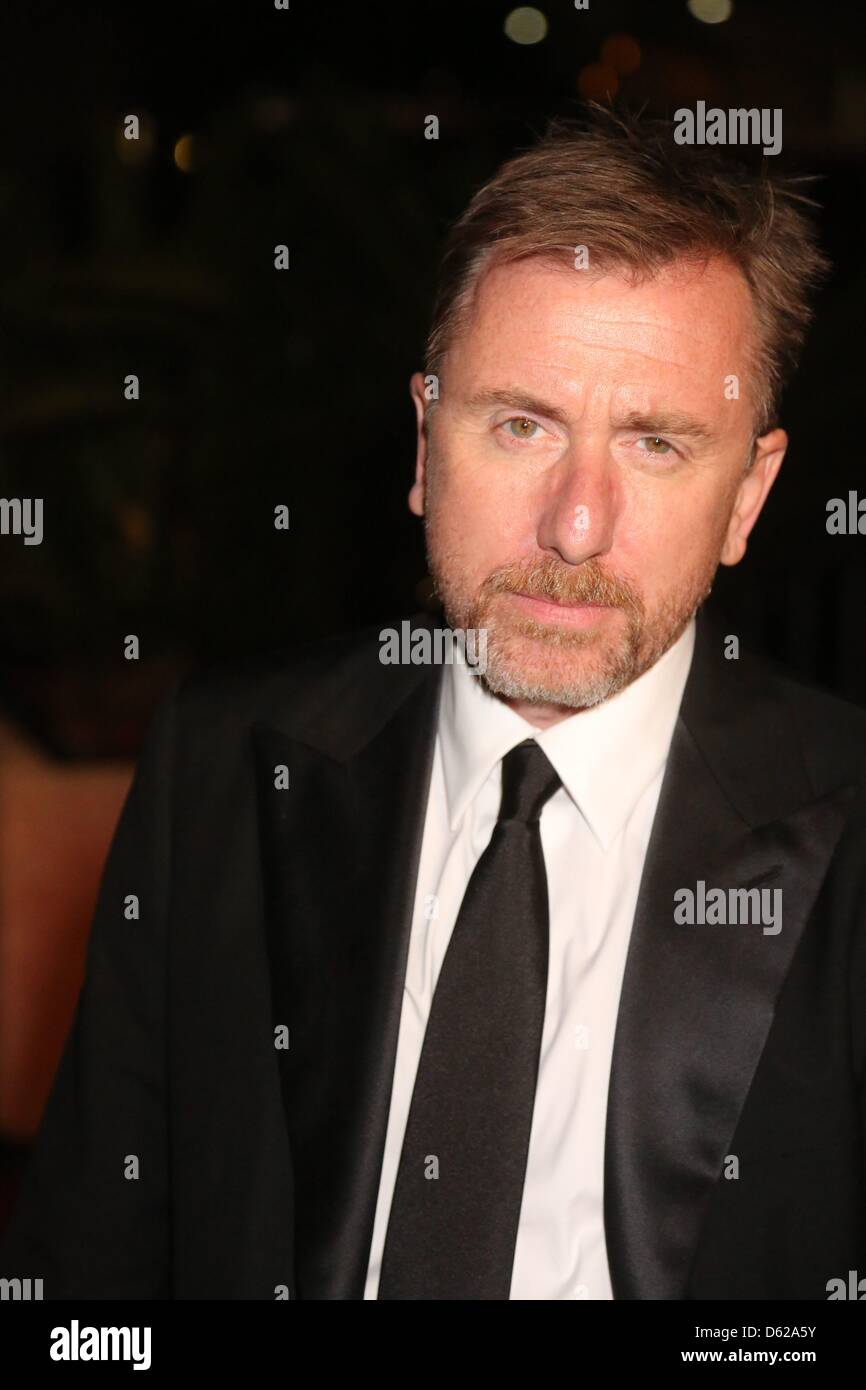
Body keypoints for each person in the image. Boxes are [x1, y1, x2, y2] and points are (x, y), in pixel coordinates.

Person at [2, 107, 865, 1301]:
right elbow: (87, 1275)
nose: (574, 525)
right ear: (423, 440)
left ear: (747, 494)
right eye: (521, 425)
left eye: (655, 445)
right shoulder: (221, 764)